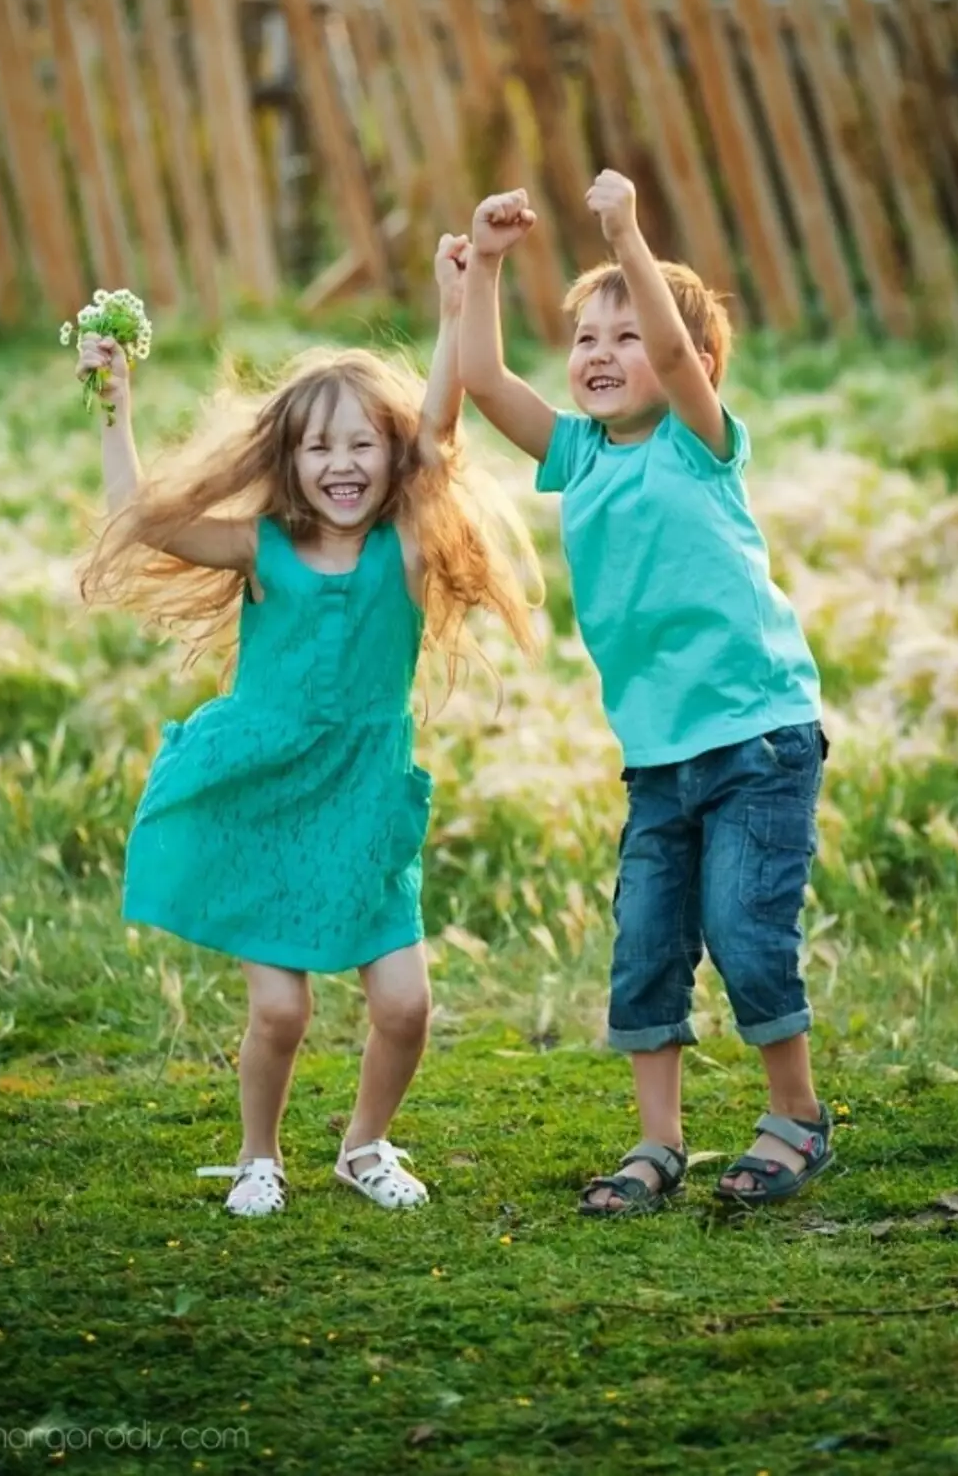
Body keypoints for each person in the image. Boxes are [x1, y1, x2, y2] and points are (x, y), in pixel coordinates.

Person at [77, 235, 539, 1217]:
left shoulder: (407, 548)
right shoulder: (264, 548)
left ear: (390, 455)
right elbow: (142, 519)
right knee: (280, 1007)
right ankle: (259, 1155)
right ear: (286, 460)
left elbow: (442, 435)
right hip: (265, 789)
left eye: (360, 443)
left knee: (406, 1003)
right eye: (317, 446)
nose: (341, 463)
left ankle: (363, 1147)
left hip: (365, 797)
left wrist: (458, 309)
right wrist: (114, 405)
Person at [459, 172, 833, 1212]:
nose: (602, 354)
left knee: (746, 932)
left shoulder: (697, 443)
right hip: (658, 757)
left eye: (627, 335)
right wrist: (485, 263)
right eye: (586, 338)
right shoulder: (578, 455)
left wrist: (624, 233)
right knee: (646, 946)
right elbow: (487, 384)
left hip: (759, 737)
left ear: (693, 365)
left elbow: (672, 351)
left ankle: (795, 1117)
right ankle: (658, 1144)